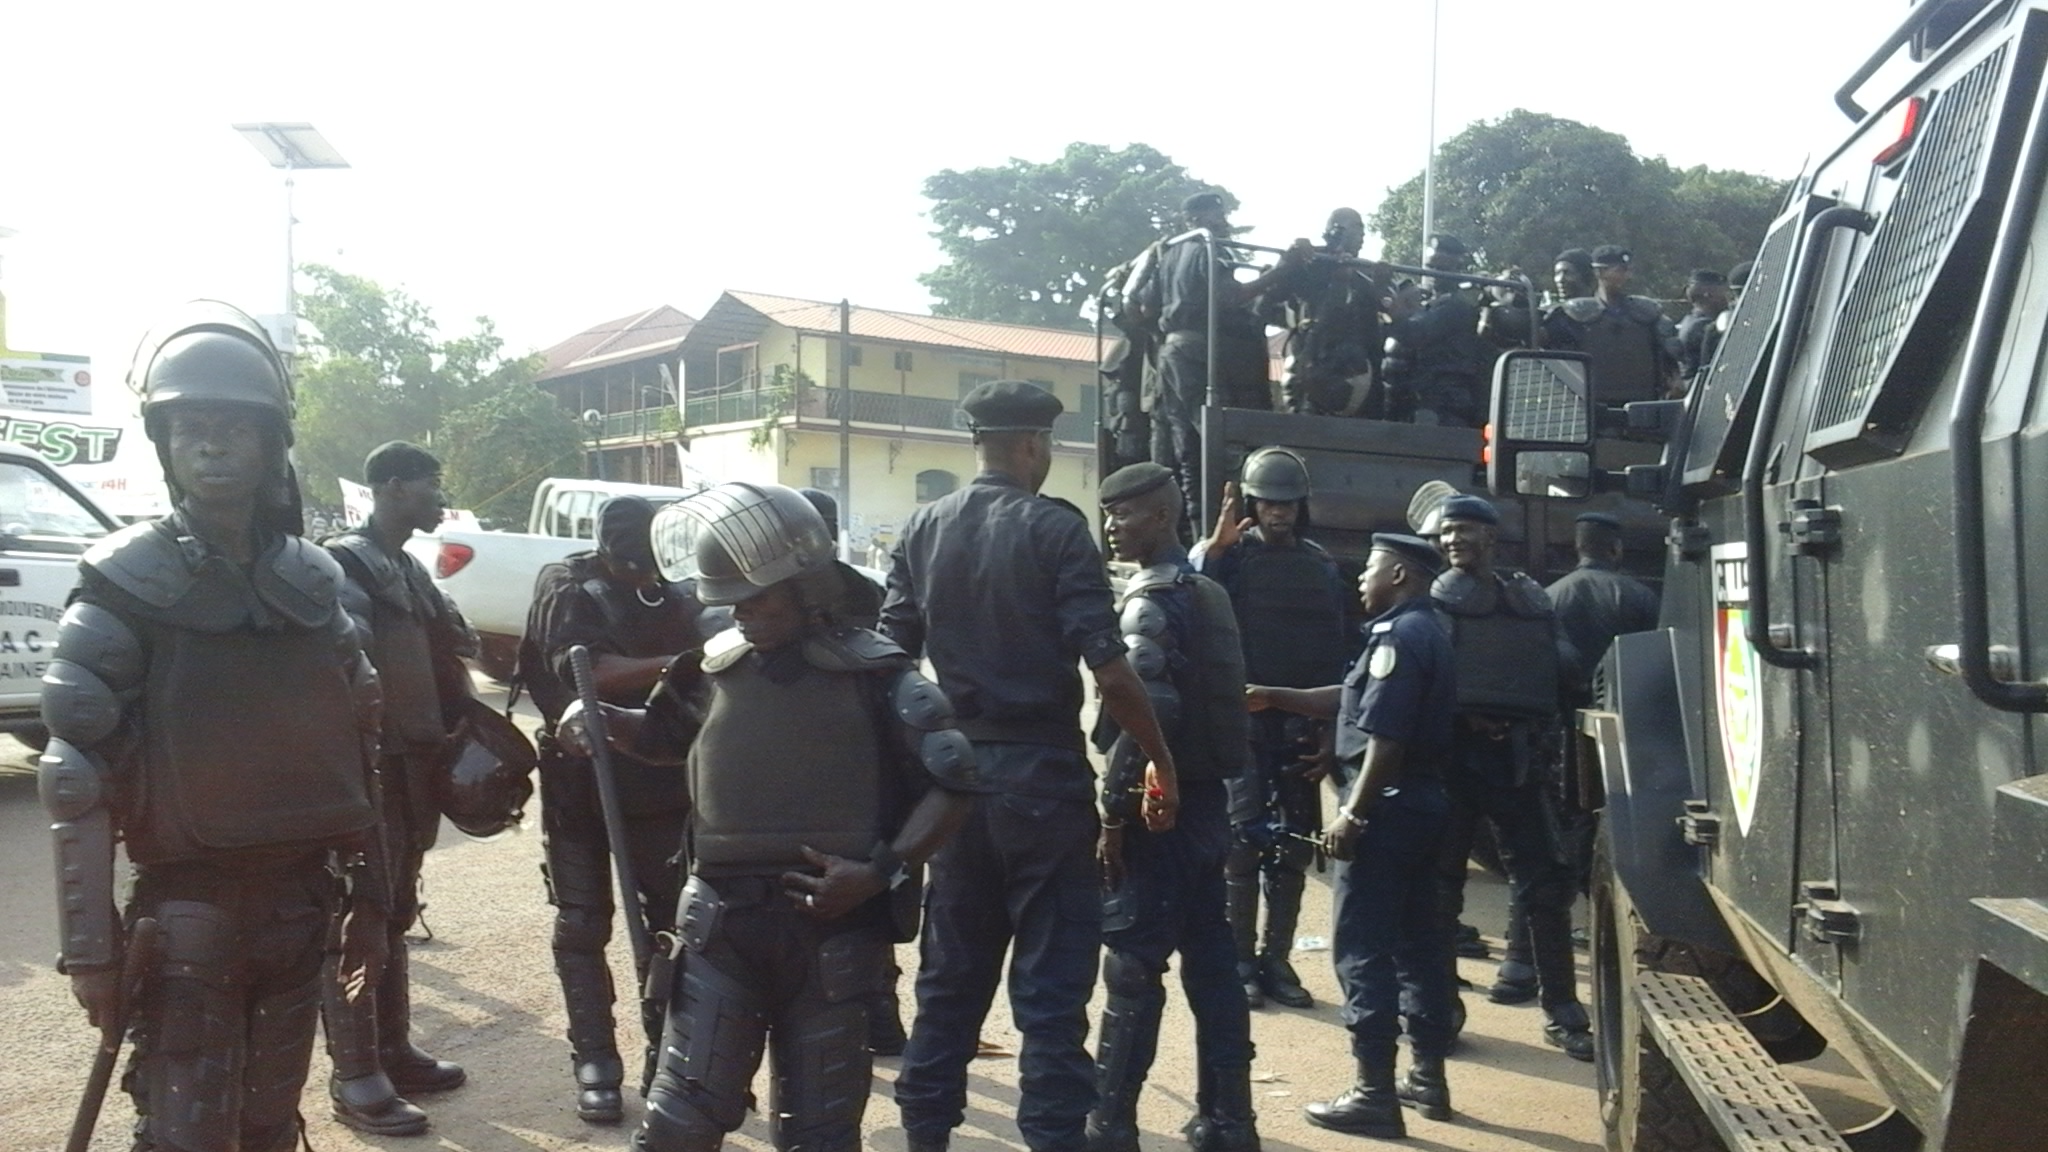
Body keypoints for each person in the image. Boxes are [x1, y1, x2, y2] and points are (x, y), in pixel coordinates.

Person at [38, 301, 384, 1152]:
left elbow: (359, 740)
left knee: (270, 1124)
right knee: (186, 1133)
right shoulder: (128, 582)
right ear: (164, 441)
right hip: (189, 911)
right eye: (191, 426)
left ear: (270, 443)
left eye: (235, 427)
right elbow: (75, 774)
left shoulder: (313, 585)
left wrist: (372, 898)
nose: (213, 443)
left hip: (303, 900)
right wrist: (90, 950)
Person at [561, 481, 977, 1152]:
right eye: (731, 602)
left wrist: (880, 872)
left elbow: (953, 781)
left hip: (830, 936)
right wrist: (605, 720)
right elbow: (666, 739)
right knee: (676, 1127)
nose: (741, 615)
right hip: (720, 929)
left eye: (757, 599)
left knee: (817, 1135)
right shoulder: (713, 668)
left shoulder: (880, 675)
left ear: (808, 586)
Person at [886, 380, 1180, 1152]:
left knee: (949, 983)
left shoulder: (923, 527)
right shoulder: (1056, 528)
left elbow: (890, 664)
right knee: (1051, 995)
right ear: (1032, 445)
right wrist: (1161, 762)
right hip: (1043, 782)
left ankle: (924, 1138)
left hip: (955, 786)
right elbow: (1111, 671)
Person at [1250, 534, 1459, 1138]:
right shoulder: (1425, 630)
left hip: (1386, 810)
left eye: (1369, 569)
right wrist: (1274, 697)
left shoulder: (1398, 637)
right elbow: (1354, 703)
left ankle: (1373, 1093)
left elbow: (1385, 739)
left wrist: (1354, 814)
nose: (1360, 580)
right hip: (1421, 806)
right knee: (1421, 943)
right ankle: (1426, 1079)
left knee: (1362, 947)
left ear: (1398, 573)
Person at [517, 495, 707, 1122]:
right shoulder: (568, 588)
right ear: (604, 551)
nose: (644, 576)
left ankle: (667, 1054)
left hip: (661, 787)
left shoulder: (681, 592)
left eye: (652, 564)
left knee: (670, 929)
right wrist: (675, 665)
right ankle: (594, 1057)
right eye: (631, 565)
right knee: (581, 924)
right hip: (582, 785)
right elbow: (584, 672)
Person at [1088, 462, 1257, 1152]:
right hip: (1211, 803)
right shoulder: (1205, 589)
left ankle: (1111, 1126)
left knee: (1132, 967)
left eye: (1123, 514)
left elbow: (1147, 705)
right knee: (1213, 962)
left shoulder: (1149, 600)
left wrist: (1113, 813)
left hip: (1161, 808)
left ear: (1159, 516)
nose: (1111, 527)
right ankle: (1230, 1122)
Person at [320, 441, 474, 1135]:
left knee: (398, 908)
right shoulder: (344, 560)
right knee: (362, 917)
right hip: (369, 771)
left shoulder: (407, 566)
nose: (438, 493)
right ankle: (355, 1075)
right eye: (427, 483)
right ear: (388, 487)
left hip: (414, 764)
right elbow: (345, 653)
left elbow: (457, 642)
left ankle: (395, 1049)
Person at [1426, 493, 1593, 1060]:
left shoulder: (1529, 599)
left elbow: (1565, 667)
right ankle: (1438, 1008)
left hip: (1516, 760)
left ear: (1491, 538)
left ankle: (1562, 1008)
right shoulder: (1434, 600)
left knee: (1545, 883)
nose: (1453, 542)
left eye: (1465, 532)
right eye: (1446, 533)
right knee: (1439, 887)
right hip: (1452, 759)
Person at [1193, 446, 1350, 1010]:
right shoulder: (1229, 560)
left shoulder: (1321, 564)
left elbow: (1337, 650)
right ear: (1253, 504)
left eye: (1287, 504)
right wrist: (1215, 550)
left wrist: (1331, 726)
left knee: (1294, 846)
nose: (1278, 513)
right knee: (1242, 841)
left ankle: (1276, 960)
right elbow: (1193, 602)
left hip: (1302, 721)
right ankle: (1239, 962)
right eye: (1268, 503)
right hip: (1244, 721)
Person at [1137, 193, 1301, 519]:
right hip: (1196, 352)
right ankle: (1223, 520)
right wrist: (1280, 272)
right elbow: (1230, 297)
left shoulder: (1168, 253)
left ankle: (1198, 525)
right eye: (1216, 216)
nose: (1223, 223)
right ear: (1196, 219)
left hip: (1170, 353)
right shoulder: (1205, 248)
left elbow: (1145, 307)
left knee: (1187, 448)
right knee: (1218, 441)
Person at [1264, 208, 1384, 417]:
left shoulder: (1364, 273)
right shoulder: (1312, 262)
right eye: (1357, 228)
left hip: (1356, 369)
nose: (1362, 235)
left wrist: (1381, 285)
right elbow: (1273, 296)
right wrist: (1289, 259)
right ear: (1335, 229)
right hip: (1313, 361)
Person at [1383, 235, 1490, 426]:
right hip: (1415, 400)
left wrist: (1393, 307)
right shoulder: (1428, 304)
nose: (1433, 274)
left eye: (1442, 269)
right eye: (1430, 267)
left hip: (1442, 405)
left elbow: (1415, 335)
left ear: (1457, 269)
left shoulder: (1458, 307)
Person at [1575, 245, 1684, 403]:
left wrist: (1675, 380)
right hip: (1595, 405)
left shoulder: (1647, 314)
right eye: (1619, 270)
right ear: (1599, 272)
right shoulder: (1578, 315)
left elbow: (1669, 353)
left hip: (1643, 403)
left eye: (1627, 270)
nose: (1626, 276)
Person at [1676, 269, 1732, 391]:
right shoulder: (1703, 327)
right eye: (1724, 293)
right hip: (1701, 392)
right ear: (1709, 295)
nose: (1728, 299)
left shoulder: (1691, 321)